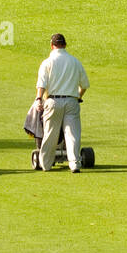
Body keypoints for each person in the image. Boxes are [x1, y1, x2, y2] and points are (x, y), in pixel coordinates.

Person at [36, 34, 89, 173]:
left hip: (53, 101)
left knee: (50, 134)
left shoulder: (47, 62)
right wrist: (78, 97)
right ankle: (75, 164)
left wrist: (38, 99)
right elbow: (84, 85)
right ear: (65, 45)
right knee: (72, 134)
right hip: (71, 101)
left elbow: (42, 83)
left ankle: (46, 164)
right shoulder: (75, 61)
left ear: (51, 45)